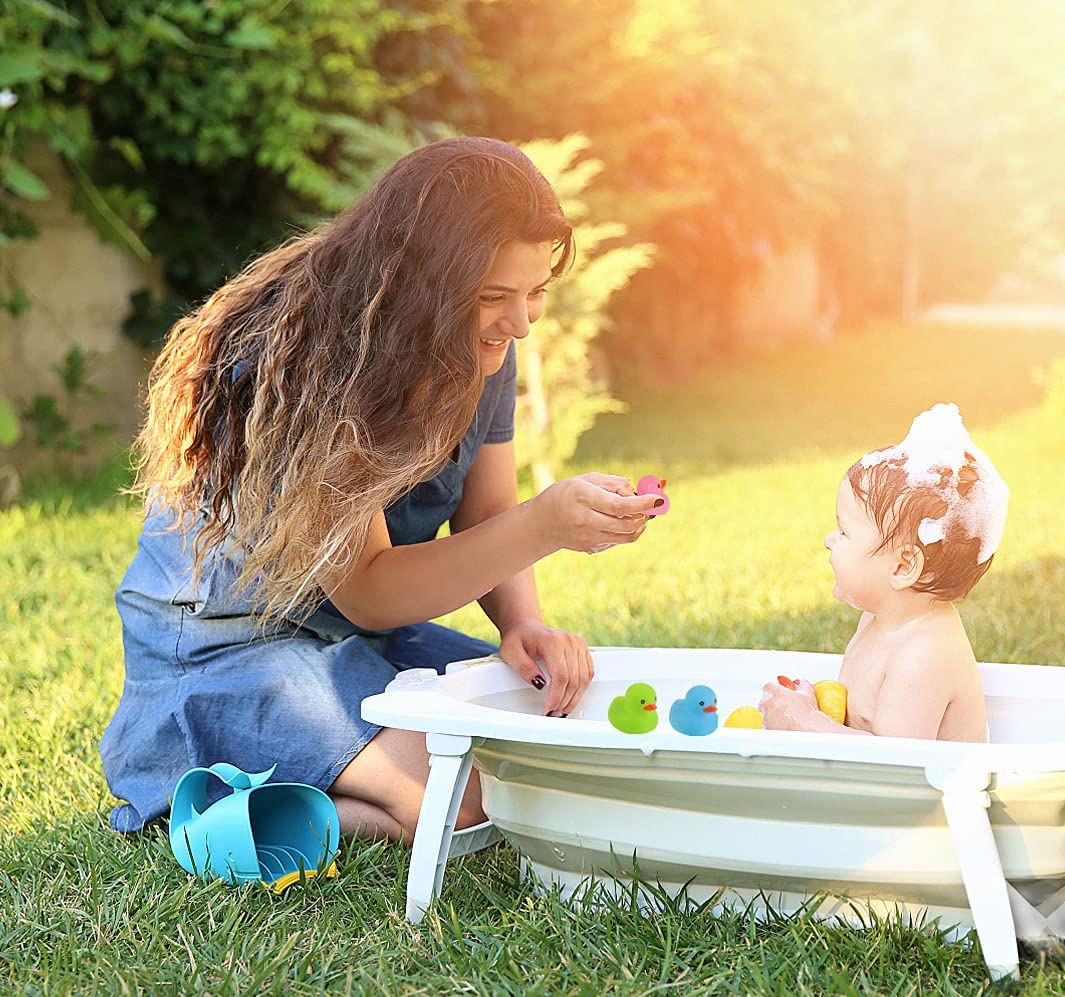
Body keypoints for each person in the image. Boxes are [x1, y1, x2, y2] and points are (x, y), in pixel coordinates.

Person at [100, 137, 662, 842]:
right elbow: (369, 588)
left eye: (535, 294)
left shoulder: (483, 346)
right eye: (494, 298)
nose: (519, 323)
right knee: (469, 799)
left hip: (353, 634)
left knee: (540, 754)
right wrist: (546, 524)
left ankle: (336, 776)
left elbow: (483, 510)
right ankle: (236, 805)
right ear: (423, 283)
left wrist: (521, 621)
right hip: (235, 646)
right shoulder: (320, 362)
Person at [759, 403, 1008, 742]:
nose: (828, 541)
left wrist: (800, 721)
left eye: (843, 531)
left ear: (904, 566)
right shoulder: (879, 620)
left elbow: (896, 767)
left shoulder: (923, 656)